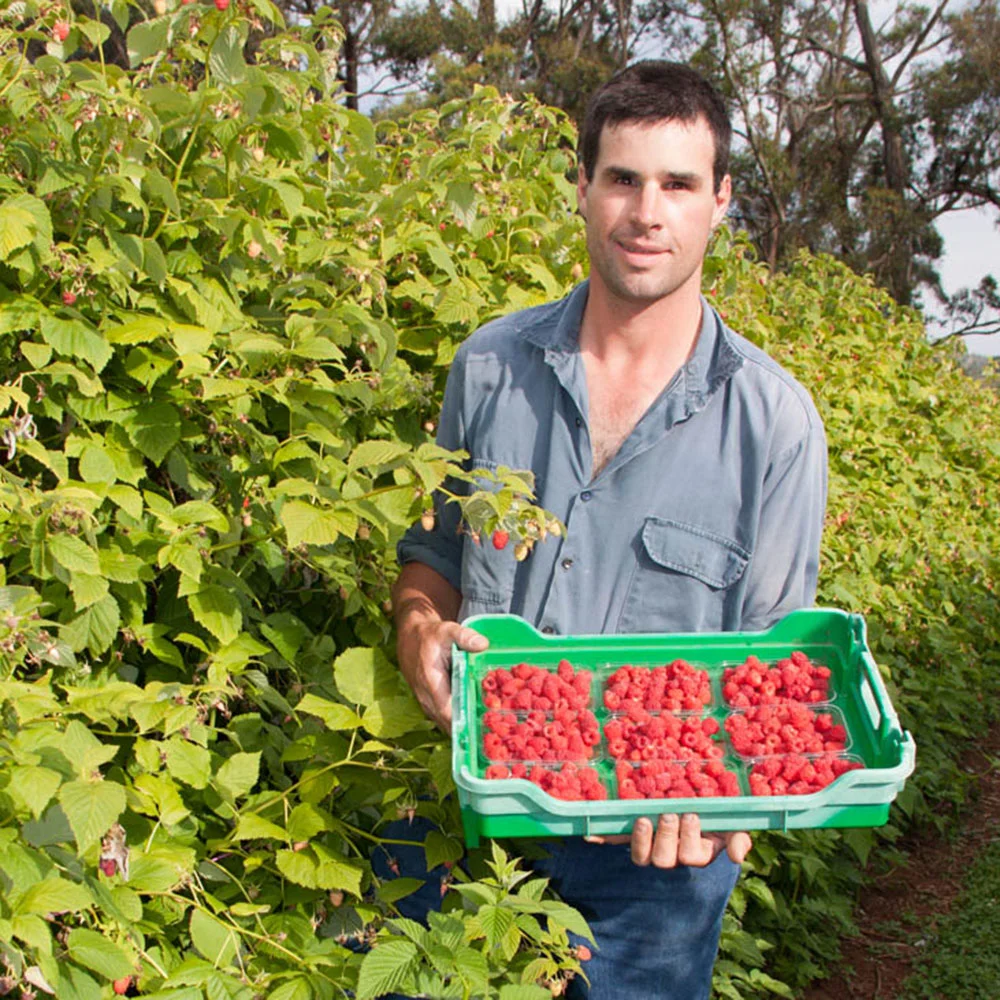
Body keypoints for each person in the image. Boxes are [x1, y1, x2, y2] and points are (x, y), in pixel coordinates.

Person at [390, 60, 827, 999]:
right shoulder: (490, 370)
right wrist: (419, 628)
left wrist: (726, 813)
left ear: (721, 204)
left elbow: (771, 680)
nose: (647, 212)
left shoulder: (774, 426)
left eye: (678, 183)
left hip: (654, 866)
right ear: (583, 189)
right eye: (624, 178)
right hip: (465, 811)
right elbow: (431, 561)